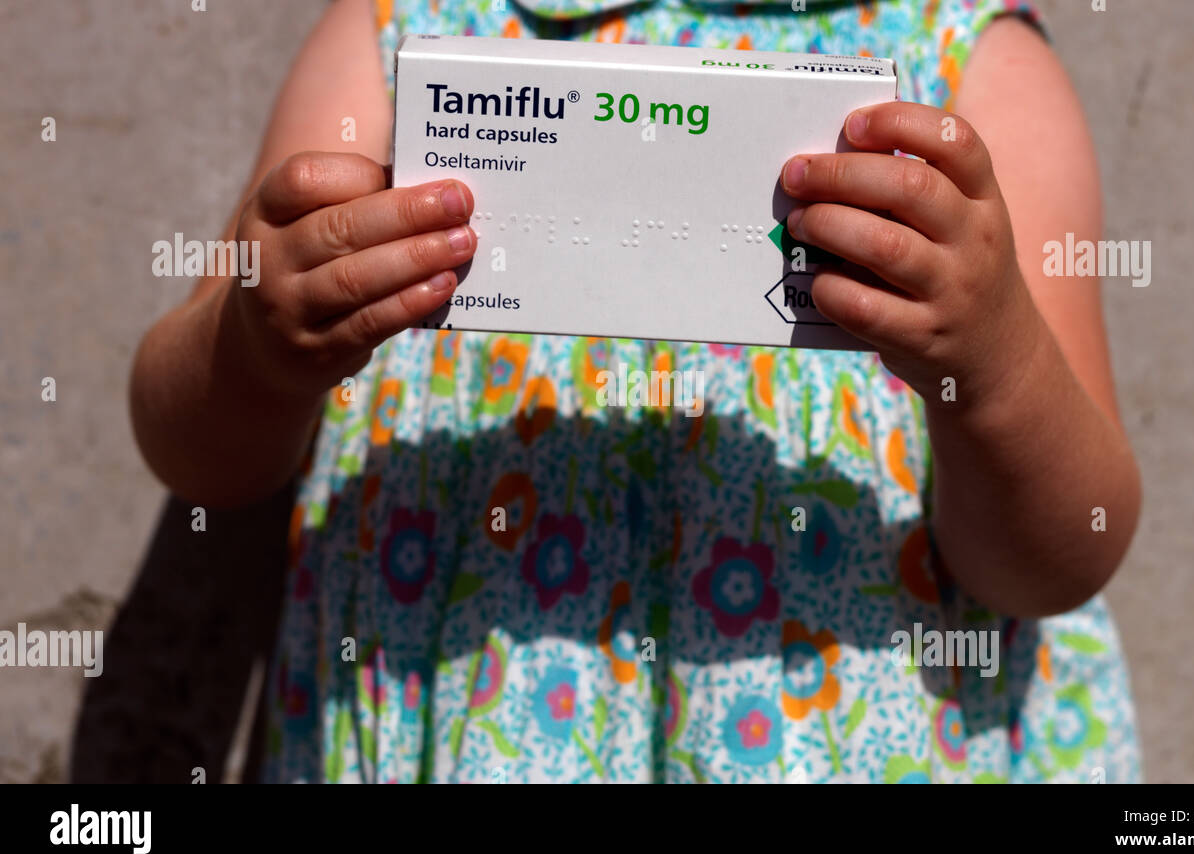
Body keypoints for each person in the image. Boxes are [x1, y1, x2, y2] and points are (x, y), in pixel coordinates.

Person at [129, 0, 1142, 783]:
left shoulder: (970, 63)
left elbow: (1060, 552)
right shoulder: (401, 28)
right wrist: (258, 348)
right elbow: (198, 451)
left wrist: (992, 357)